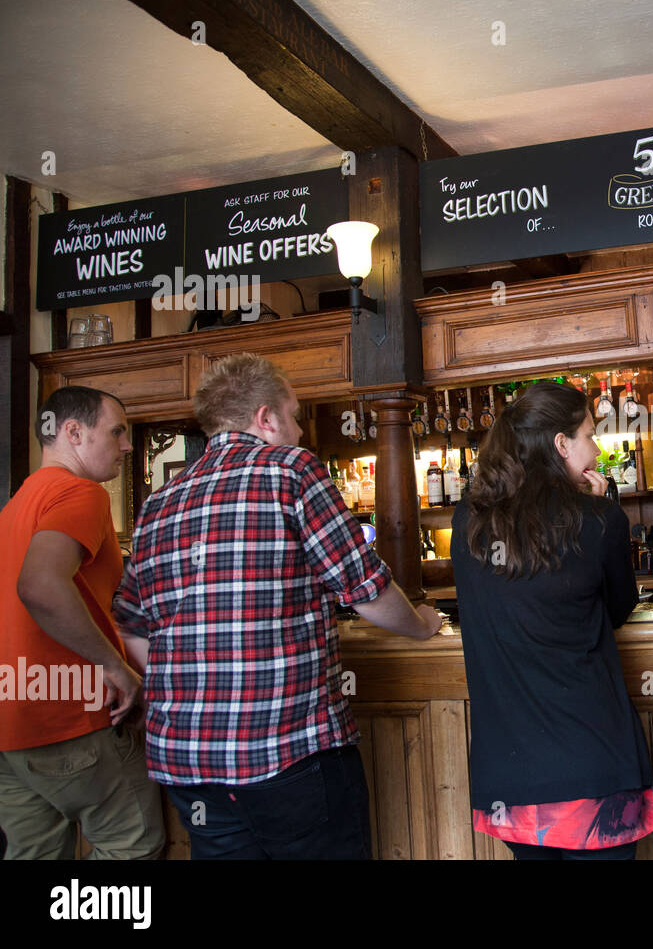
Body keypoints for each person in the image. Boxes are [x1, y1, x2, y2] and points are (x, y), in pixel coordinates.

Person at [113, 353, 441, 859]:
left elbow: (133, 626)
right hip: (287, 756)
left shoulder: (159, 501)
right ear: (265, 419)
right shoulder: (291, 469)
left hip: (189, 765)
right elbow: (366, 592)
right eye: (293, 415)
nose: (300, 431)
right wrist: (421, 625)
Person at [451, 381, 653, 860]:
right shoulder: (600, 519)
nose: (597, 446)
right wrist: (602, 508)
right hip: (590, 769)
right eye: (590, 434)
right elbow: (614, 610)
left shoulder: (468, 521)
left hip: (509, 778)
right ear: (561, 444)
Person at [0, 386, 165, 859]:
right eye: (117, 431)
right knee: (131, 846)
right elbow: (40, 586)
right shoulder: (80, 492)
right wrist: (115, 667)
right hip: (69, 715)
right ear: (73, 432)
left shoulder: (17, 503)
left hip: (12, 723)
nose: (128, 444)